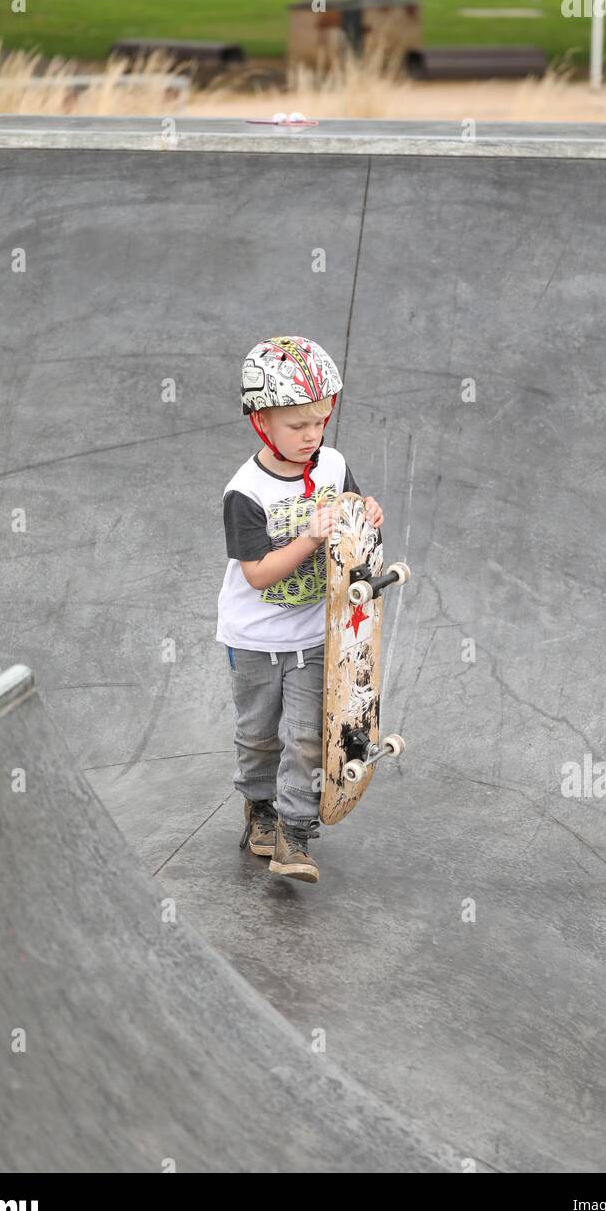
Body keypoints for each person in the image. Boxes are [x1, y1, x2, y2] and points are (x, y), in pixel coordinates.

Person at [216, 336, 384, 884]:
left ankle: (294, 834)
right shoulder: (245, 491)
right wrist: (309, 539)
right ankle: (259, 808)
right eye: (297, 426)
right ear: (260, 421)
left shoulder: (332, 466)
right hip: (255, 636)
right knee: (259, 735)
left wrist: (367, 513)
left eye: (320, 423)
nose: (312, 436)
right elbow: (258, 572)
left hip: (315, 635)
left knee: (309, 735)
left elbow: (351, 517)